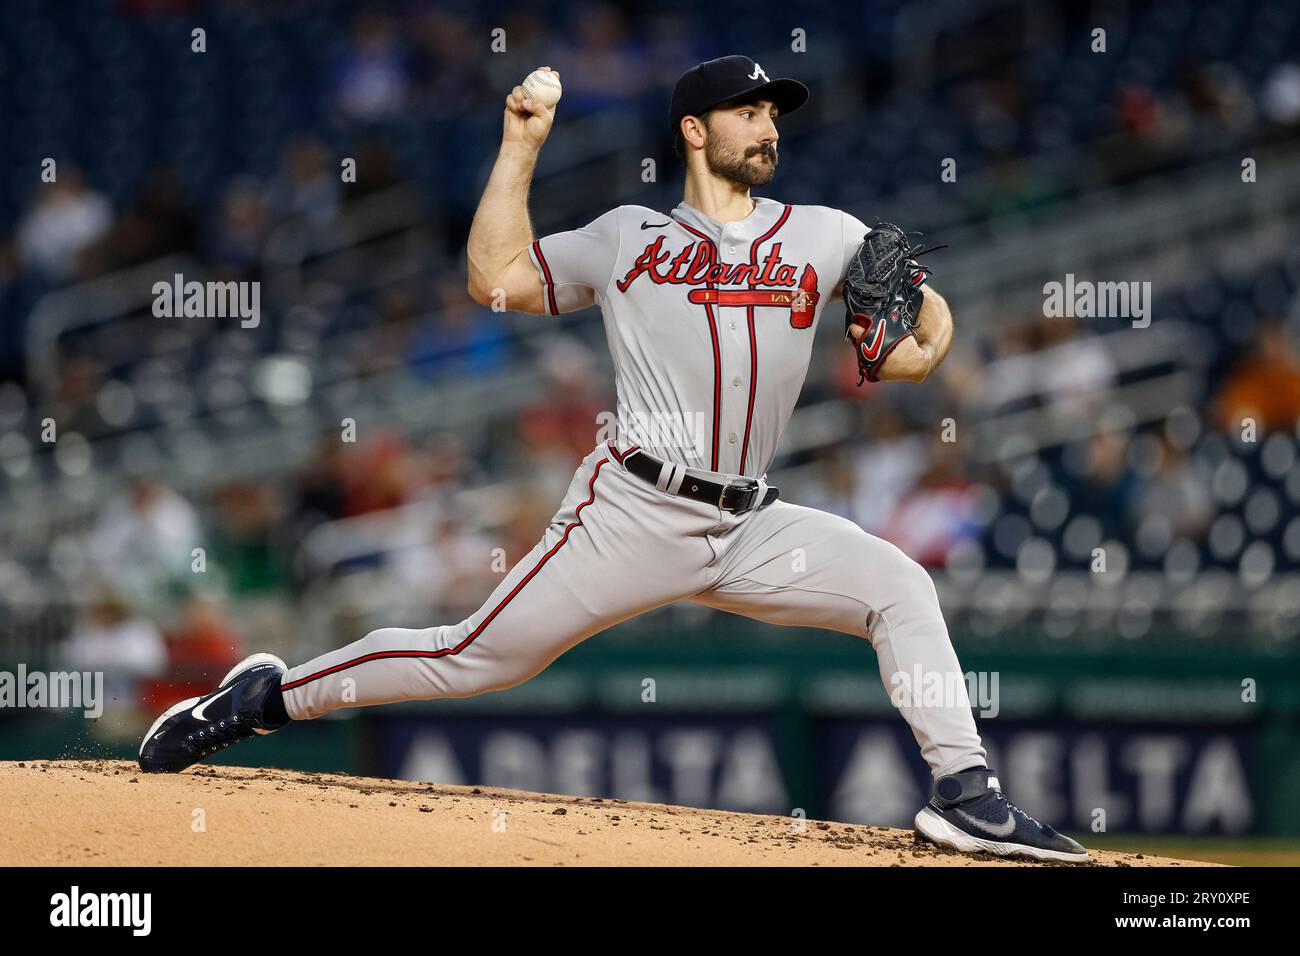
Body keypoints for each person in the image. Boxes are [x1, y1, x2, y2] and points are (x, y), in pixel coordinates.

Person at [139, 55, 1086, 863]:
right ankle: (265, 697)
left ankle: (963, 793)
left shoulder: (826, 233)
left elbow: (921, 341)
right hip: (631, 512)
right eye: (747, 113)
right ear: (692, 129)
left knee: (901, 589)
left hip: (749, 521)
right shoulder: (629, 237)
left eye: (773, 115)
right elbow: (495, 281)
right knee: (474, 659)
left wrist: (926, 322)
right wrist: (520, 146)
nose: (767, 129)